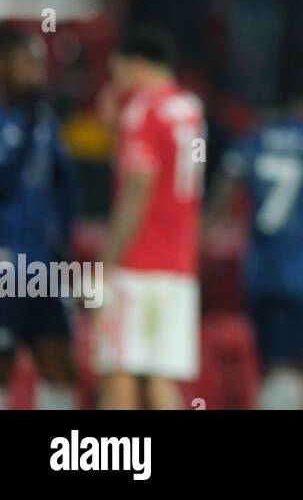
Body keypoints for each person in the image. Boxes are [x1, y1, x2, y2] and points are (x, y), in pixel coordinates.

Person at [206, 81, 303, 409]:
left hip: (259, 273)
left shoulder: (254, 137)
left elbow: (223, 197)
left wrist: (198, 236)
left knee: (269, 365)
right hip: (302, 275)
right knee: (291, 366)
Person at [95, 29, 206, 409]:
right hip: (179, 266)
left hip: (138, 262)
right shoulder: (191, 109)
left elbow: (138, 185)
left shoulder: (143, 108)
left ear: (137, 65)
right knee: (161, 382)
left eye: (118, 73)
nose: (115, 84)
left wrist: (106, 262)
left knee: (119, 374)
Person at [0, 27, 79, 410]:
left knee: (61, 368)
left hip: (44, 267)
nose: (37, 70)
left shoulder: (44, 117)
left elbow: (65, 185)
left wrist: (65, 244)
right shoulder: (29, 121)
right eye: (26, 60)